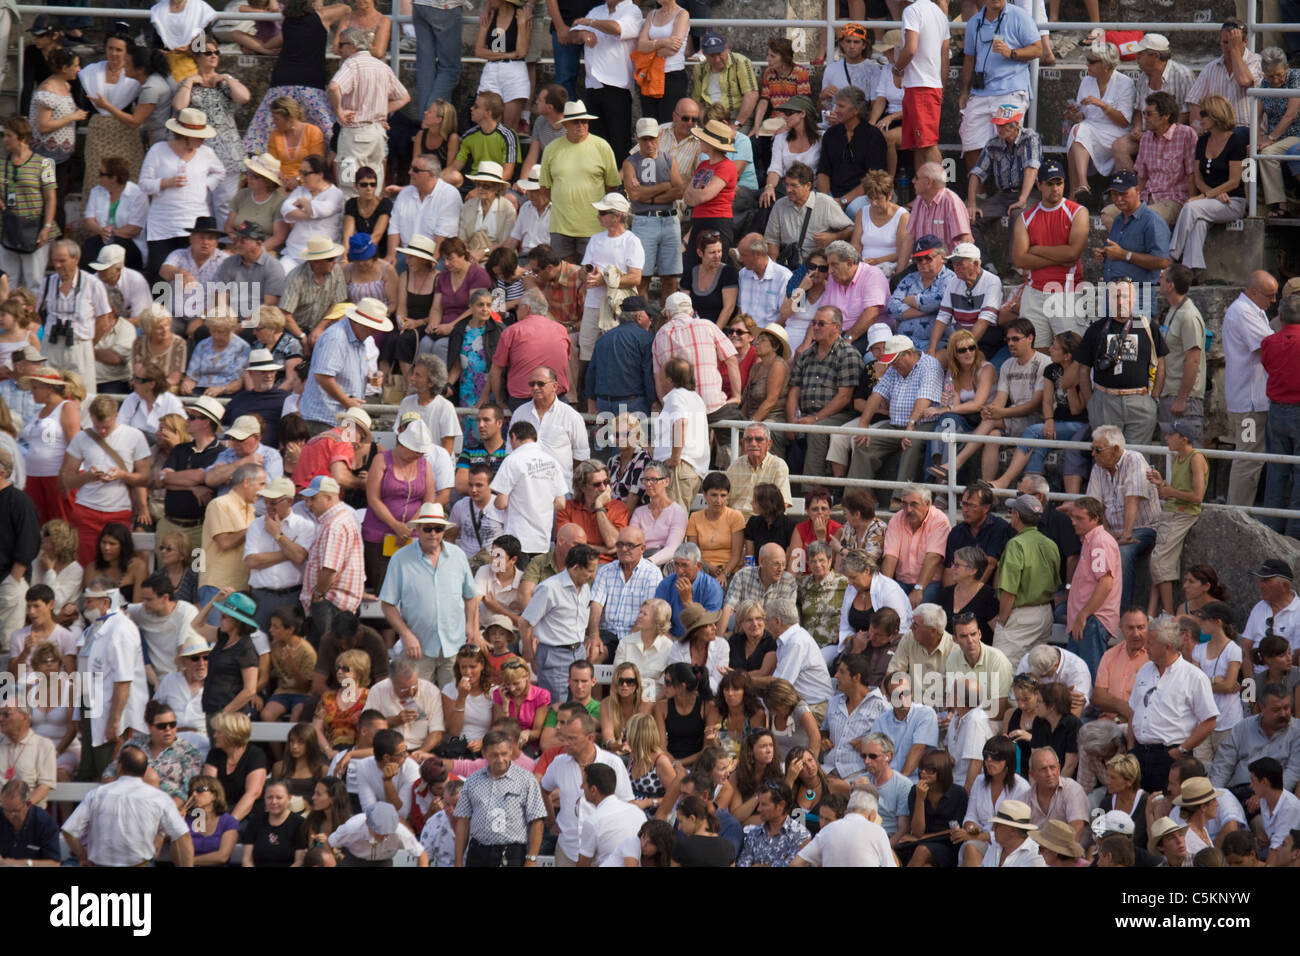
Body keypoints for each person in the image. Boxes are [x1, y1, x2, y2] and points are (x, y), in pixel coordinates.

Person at [63, 744, 193, 866]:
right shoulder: (160, 798)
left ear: (119, 766)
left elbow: (69, 830)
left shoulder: (97, 794)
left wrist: (83, 857)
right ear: (145, 769)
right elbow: (183, 836)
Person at [1128, 616, 1219, 792]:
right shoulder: (1145, 670)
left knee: (1165, 809)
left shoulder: (1194, 677)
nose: (1145, 647)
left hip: (1169, 757)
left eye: (1151, 643)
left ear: (1167, 646)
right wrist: (1131, 747)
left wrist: (1181, 750)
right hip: (1139, 753)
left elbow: (1209, 721)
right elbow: (1134, 708)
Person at [1010, 159, 1089, 346]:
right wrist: (1059, 258)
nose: (1055, 189)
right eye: (1050, 184)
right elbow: (1020, 259)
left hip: (1066, 291)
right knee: (1035, 351)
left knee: (1071, 351)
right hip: (1034, 292)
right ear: (1039, 185)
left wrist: (1036, 250)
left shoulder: (1078, 212)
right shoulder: (1025, 217)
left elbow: (1072, 254)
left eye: (1059, 183)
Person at [1170, 94, 1248, 276]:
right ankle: (1192, 269)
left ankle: (1171, 257)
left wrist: (1205, 196)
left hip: (1232, 201)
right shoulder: (1203, 141)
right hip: (1213, 199)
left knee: (1190, 208)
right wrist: (1212, 194)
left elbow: (1234, 181)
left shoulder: (1235, 141)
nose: (1199, 118)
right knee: (1199, 222)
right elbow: (1198, 179)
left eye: (1204, 114)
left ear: (1216, 114)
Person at [328, 27, 409, 198]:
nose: (338, 49)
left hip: (355, 134)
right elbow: (404, 97)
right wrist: (380, 112)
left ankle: (351, 222)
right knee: (375, 183)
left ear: (352, 46)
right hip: (377, 134)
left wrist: (340, 112)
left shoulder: (351, 64)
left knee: (348, 184)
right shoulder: (382, 67)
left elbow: (334, 86)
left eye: (341, 45)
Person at [1221, 272, 1279, 510]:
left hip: (1253, 400)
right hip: (1249, 404)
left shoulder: (1253, 310)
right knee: (1248, 458)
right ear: (1254, 292)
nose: (1274, 300)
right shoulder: (1244, 312)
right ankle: (1237, 511)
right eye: (1270, 295)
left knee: (1250, 456)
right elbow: (1270, 347)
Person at [539, 100, 621, 263]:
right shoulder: (551, 149)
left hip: (593, 225)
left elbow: (612, 185)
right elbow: (544, 187)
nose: (581, 125)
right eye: (576, 122)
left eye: (584, 121)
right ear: (566, 124)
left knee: (590, 277)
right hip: (561, 226)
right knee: (563, 279)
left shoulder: (602, 146)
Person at [452, 728, 546, 867]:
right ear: (484, 754)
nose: (500, 759)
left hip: (512, 854)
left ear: (510, 751)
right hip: (478, 853)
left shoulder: (527, 780)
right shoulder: (472, 781)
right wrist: (458, 860)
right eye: (494, 755)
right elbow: (463, 822)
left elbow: (537, 821)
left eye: (504, 754)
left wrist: (531, 859)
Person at [0, 116, 57, 291]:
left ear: (22, 138)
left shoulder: (43, 164)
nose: (5, 140)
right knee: (8, 279)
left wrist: (46, 226)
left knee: (34, 281)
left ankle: (31, 316)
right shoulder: (2, 163)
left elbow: (50, 197)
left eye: (9, 135)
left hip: (34, 228)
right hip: (7, 227)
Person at [1184, 18, 1262, 130]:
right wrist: (1199, 130)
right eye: (1225, 42)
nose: (1228, 47)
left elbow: (1244, 80)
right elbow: (1195, 103)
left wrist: (1234, 50)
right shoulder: (1210, 68)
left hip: (1247, 129)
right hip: (1218, 130)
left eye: (1233, 42)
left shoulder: (1256, 61)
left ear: (1245, 42)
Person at [1093, 607, 1150, 722]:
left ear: (1148, 627)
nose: (1136, 634)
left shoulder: (1155, 657)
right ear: (1121, 628)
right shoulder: (1110, 655)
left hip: (1141, 722)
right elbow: (1098, 697)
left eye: (1141, 628)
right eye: (1130, 628)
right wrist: (1120, 706)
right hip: (1108, 721)